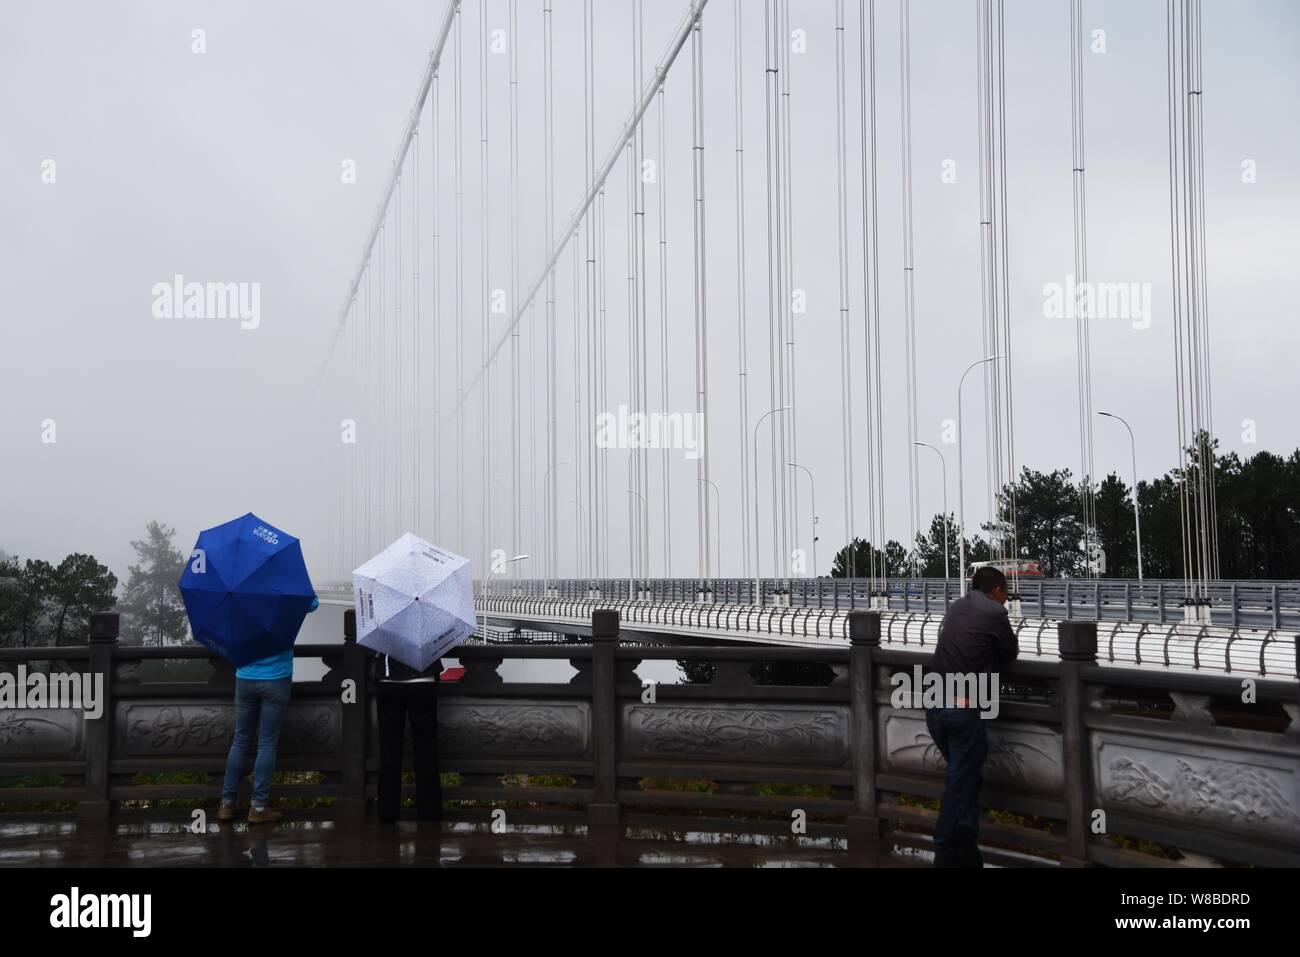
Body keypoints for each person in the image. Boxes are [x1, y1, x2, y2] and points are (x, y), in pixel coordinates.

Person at [924, 566, 1019, 867]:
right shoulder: (994, 613)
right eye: (1006, 594)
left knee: (966, 777)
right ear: (996, 591)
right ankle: (944, 847)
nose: (1006, 600)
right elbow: (1010, 652)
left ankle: (966, 838)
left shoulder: (957, 607)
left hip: (935, 708)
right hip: (963, 710)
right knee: (959, 781)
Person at [218, 596, 319, 824]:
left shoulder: (238, 595)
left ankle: (226, 805)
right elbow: (312, 603)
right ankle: (259, 808)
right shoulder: (285, 594)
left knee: (240, 740)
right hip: (277, 676)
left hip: (244, 676)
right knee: (267, 743)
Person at [376, 652, 444, 824]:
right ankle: (429, 812)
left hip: (389, 678)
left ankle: (387, 811)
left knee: (390, 749)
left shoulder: (382, 623)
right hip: (423, 678)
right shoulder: (427, 624)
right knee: (426, 746)